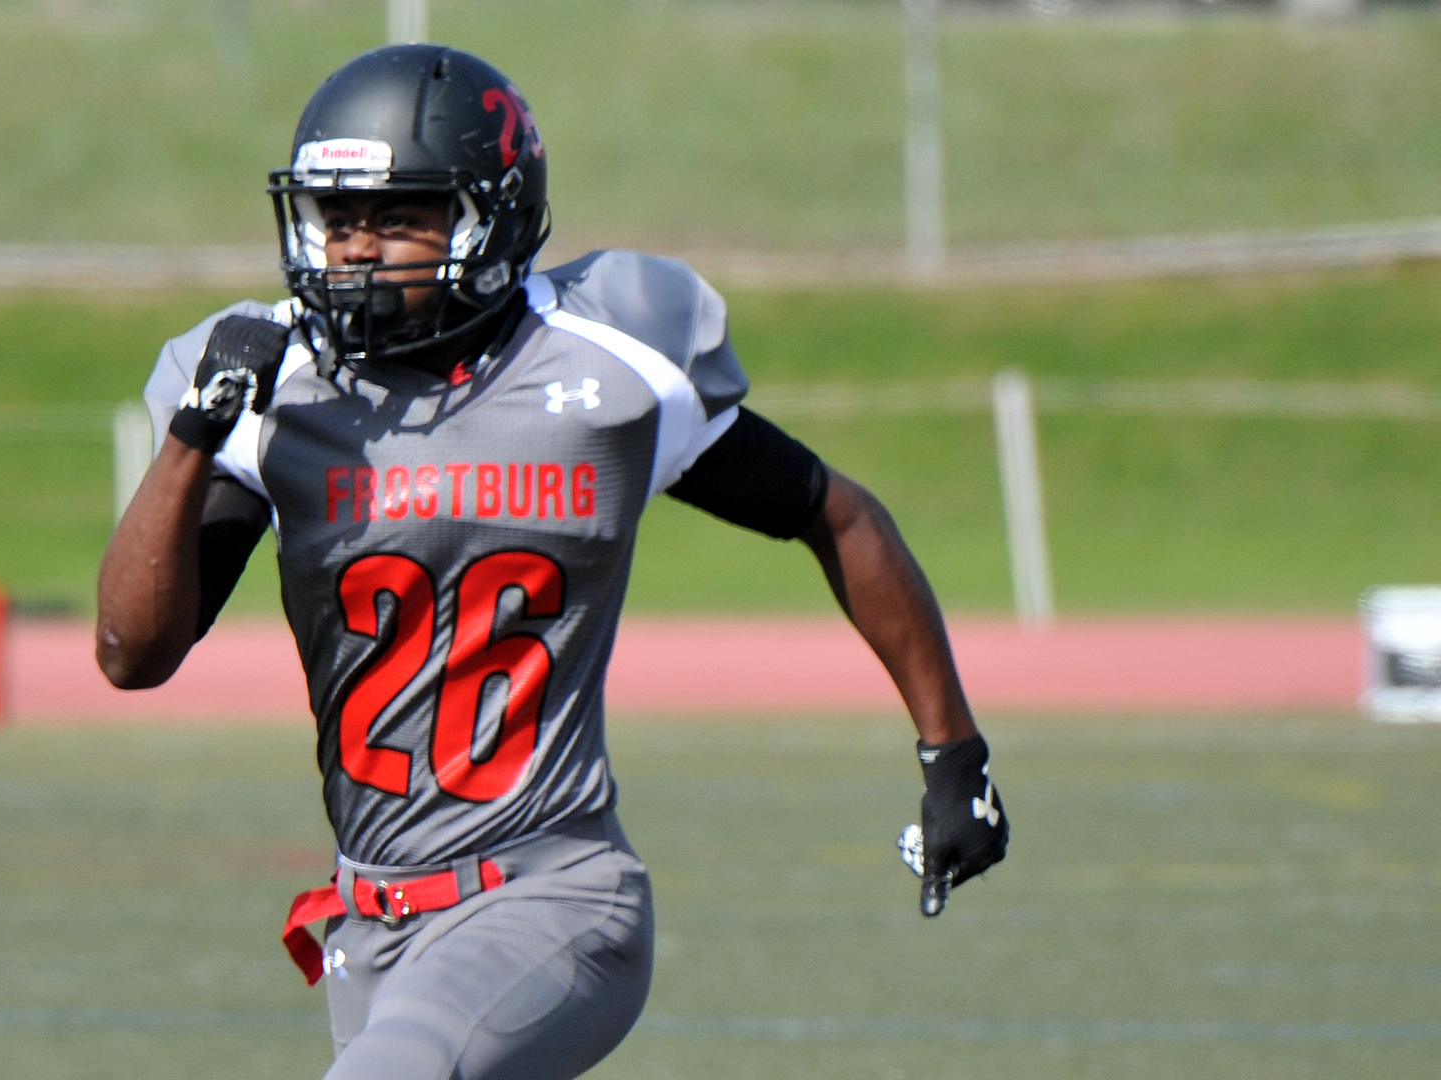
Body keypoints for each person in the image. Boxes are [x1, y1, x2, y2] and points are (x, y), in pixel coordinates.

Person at [96, 43, 1007, 1080]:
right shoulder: (279, 391)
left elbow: (837, 517)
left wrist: (954, 757)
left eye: (398, 217)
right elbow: (132, 652)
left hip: (553, 897)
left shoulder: (609, 366)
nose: (356, 249)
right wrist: (191, 440)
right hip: (372, 923)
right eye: (336, 218)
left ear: (490, 218)